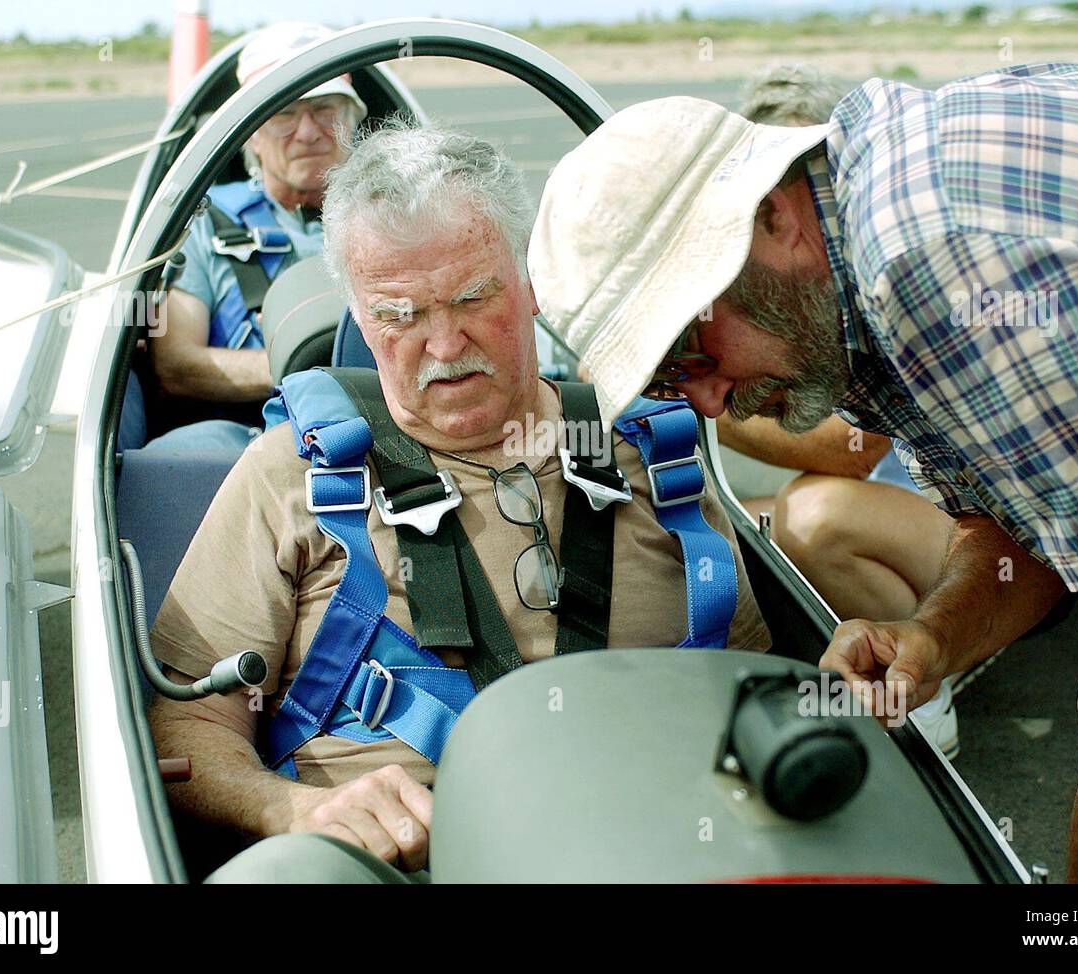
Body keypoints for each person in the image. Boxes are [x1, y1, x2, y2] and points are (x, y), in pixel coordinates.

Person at [528, 63, 1078, 883]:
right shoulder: (843, 272)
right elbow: (1009, 529)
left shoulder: (928, 264)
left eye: (693, 350)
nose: (706, 402)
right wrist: (932, 638)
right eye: (668, 382)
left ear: (772, 218)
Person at [147, 122, 771, 877]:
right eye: (399, 316)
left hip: (655, 846)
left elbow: (756, 691)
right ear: (358, 317)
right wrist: (293, 812)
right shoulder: (292, 476)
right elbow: (185, 726)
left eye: (474, 298)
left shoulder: (658, 460)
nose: (444, 344)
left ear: (533, 281)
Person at [722, 64, 961, 754]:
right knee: (735, 532)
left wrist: (702, 392)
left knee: (814, 518)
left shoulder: (884, 268)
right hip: (931, 522)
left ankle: (923, 696)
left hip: (996, 545)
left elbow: (852, 449)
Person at [148, 21, 366, 438]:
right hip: (252, 435)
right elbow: (175, 364)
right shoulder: (204, 222)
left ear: (350, 121)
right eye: (284, 113)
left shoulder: (396, 216)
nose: (307, 133)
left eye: (324, 110)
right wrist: (311, 363)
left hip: (386, 421)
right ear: (254, 136)